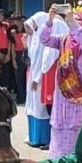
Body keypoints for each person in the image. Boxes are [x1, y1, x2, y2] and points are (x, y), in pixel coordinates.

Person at [40, 5, 82, 159]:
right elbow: (44, 39)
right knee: (62, 121)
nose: (73, 22)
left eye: (78, 20)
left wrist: (72, 21)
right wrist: (50, 20)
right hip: (64, 90)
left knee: (81, 124)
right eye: (71, 19)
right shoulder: (63, 40)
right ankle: (60, 157)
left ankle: (80, 160)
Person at [23, 12, 52, 148]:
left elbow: (42, 60)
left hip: (39, 78)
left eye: (33, 23)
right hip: (32, 75)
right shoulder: (34, 38)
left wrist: (36, 78)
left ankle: (42, 138)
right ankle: (34, 137)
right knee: (32, 106)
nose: (31, 27)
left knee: (40, 107)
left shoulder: (43, 40)